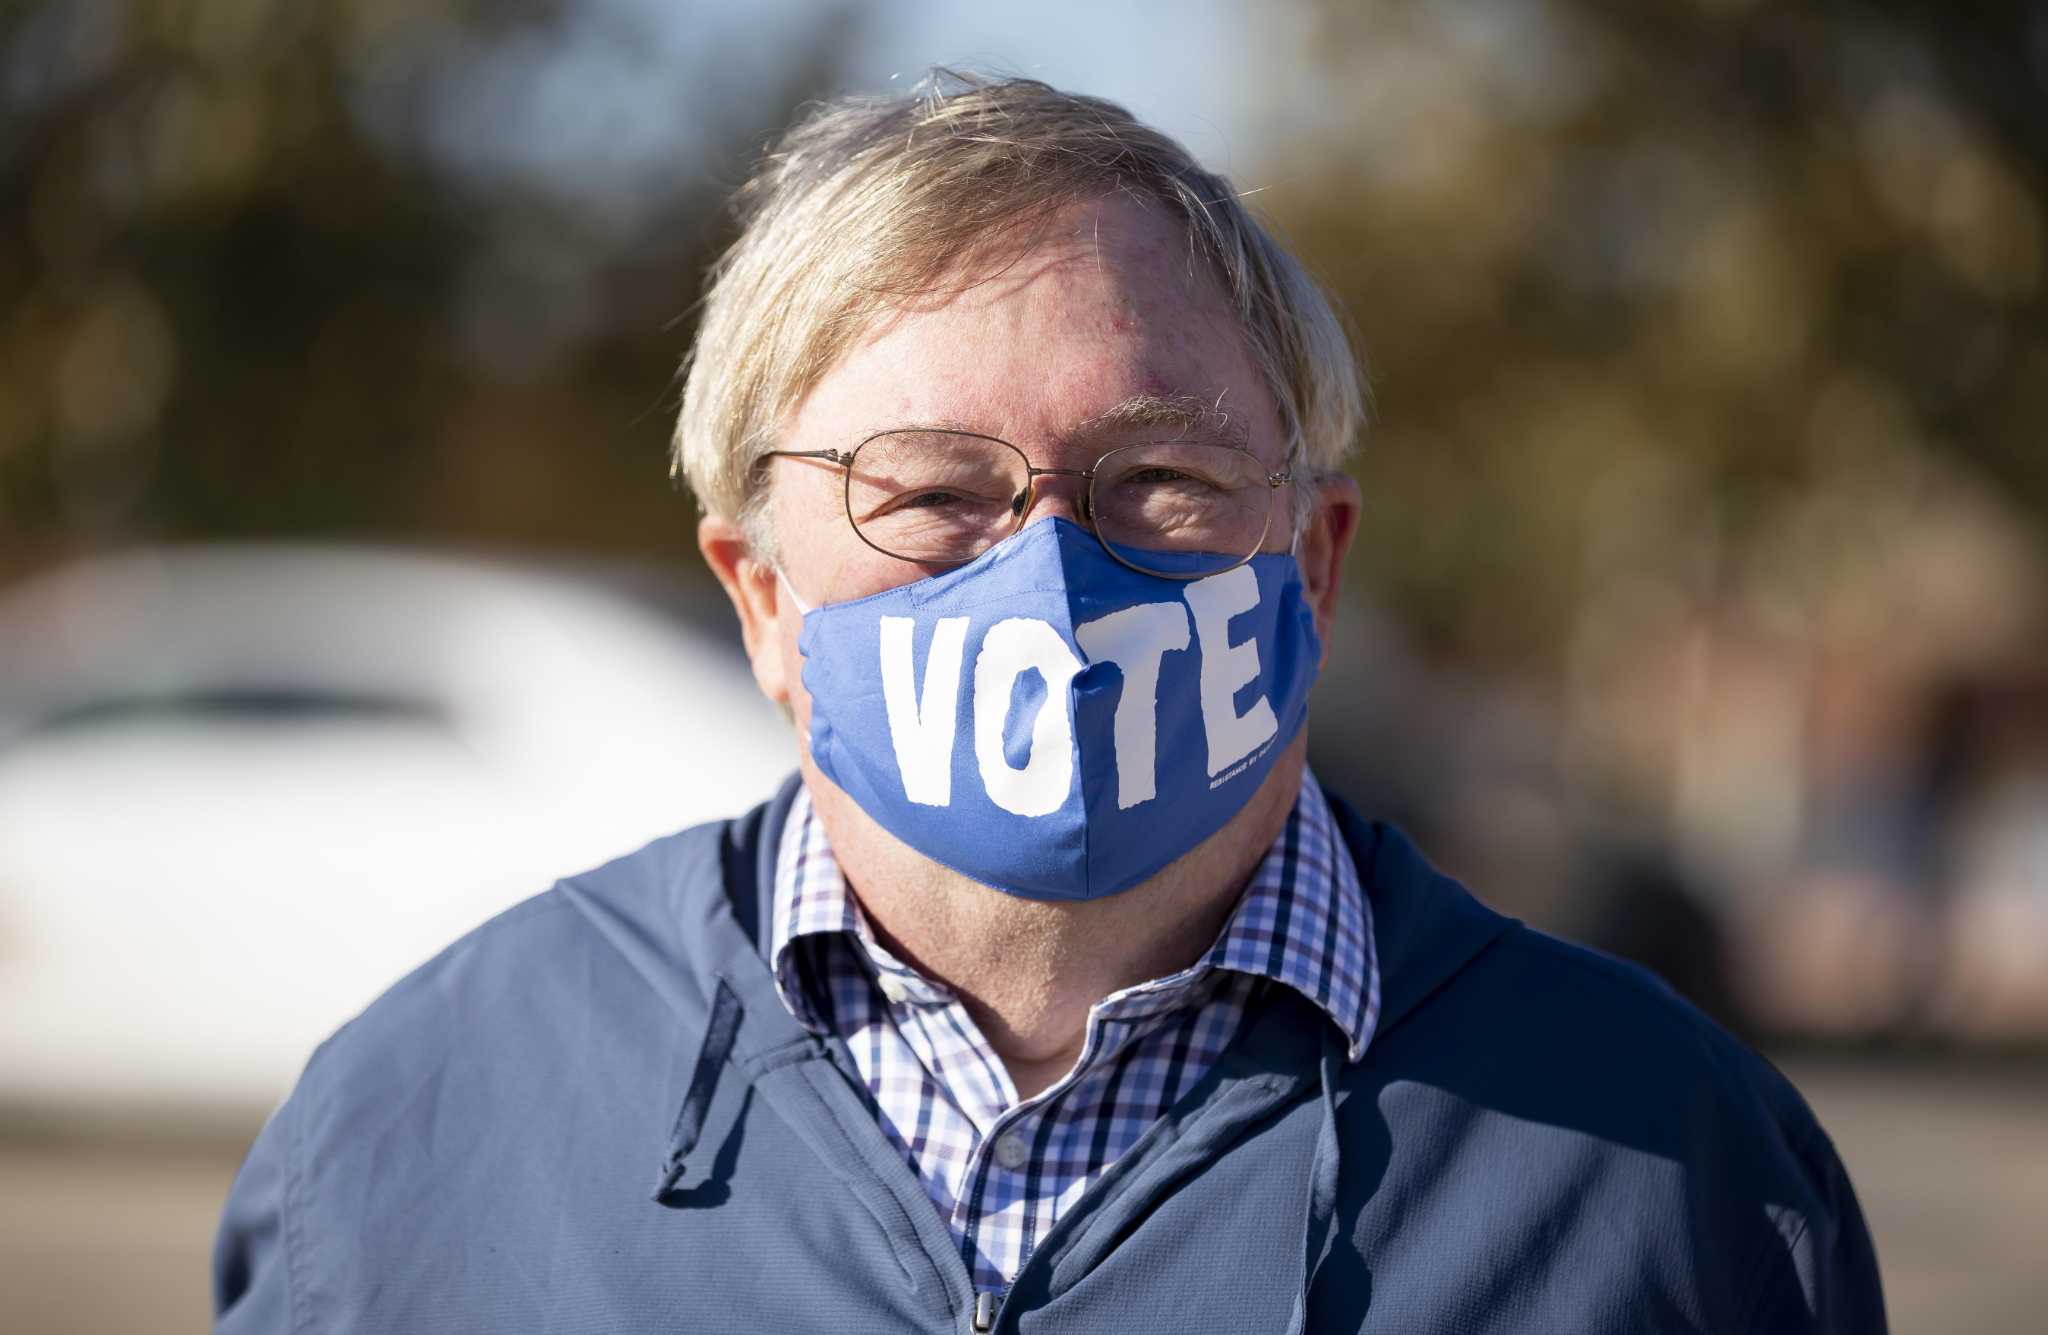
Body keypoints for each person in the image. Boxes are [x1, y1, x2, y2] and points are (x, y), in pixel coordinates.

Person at [213, 74, 1886, 1333]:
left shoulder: (1676, 1179)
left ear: (1312, 560)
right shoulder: (413, 1138)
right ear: (763, 597)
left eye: (1160, 475)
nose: (1052, 582)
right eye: (931, 491)